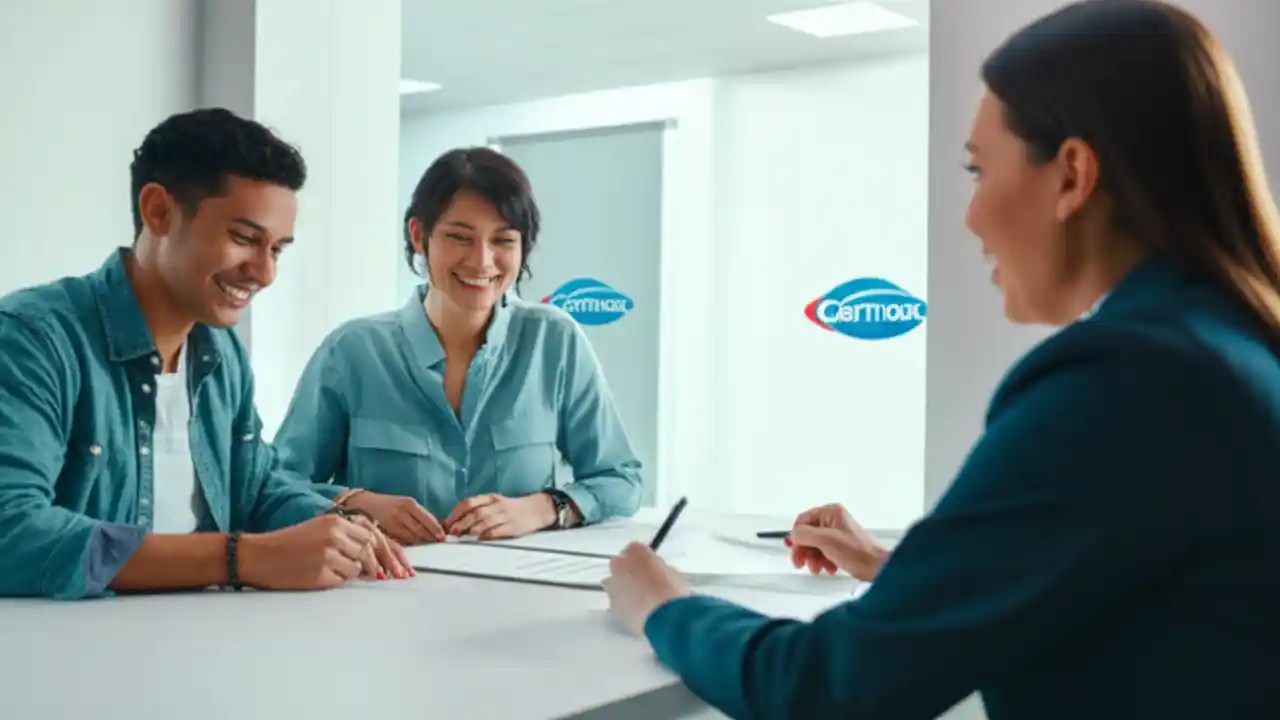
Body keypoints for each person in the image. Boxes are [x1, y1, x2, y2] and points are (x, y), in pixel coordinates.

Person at [603, 2, 1280, 717]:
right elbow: (1142, 612)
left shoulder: (1127, 381)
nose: (970, 215)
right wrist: (910, 577)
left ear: (1073, 175)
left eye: (978, 170)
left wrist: (666, 605)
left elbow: (826, 687)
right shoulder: (1228, 350)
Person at [0, 108, 411, 600]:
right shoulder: (33, 340)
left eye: (277, 249)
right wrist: (242, 558)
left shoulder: (220, 353)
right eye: (244, 239)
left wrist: (341, 528)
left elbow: (256, 488)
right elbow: (13, 530)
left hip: (201, 643)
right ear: (158, 211)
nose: (264, 273)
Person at [272, 147, 642, 544]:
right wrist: (359, 503)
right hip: (381, 592)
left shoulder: (555, 341)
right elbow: (277, 484)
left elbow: (620, 479)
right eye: (459, 237)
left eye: (503, 240)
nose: (482, 262)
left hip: (522, 589)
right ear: (419, 236)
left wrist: (541, 507)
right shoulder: (352, 351)